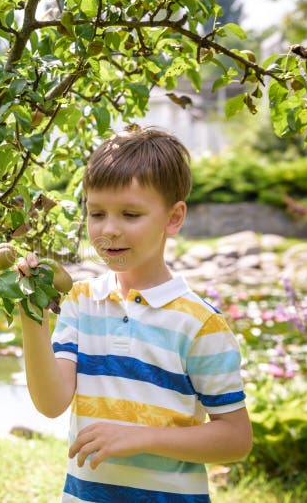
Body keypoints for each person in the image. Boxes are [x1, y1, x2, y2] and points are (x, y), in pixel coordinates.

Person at [18, 127, 252, 502]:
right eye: (96, 213)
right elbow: (51, 403)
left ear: (173, 218)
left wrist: (140, 437)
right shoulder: (81, 301)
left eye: (130, 214)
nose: (109, 229)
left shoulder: (198, 324)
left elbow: (235, 439)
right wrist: (32, 316)